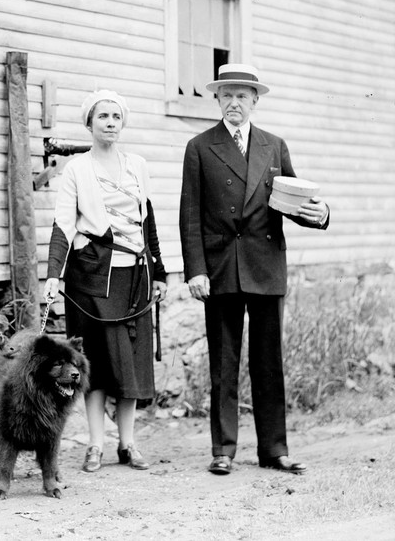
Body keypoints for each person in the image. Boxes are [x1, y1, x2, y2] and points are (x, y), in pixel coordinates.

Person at [179, 64, 329, 476]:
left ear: (255, 101)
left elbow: (295, 199)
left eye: (242, 96)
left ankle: (273, 449)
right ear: (217, 100)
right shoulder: (199, 146)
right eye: (227, 95)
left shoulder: (274, 146)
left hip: (265, 267)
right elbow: (189, 216)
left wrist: (320, 213)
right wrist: (195, 270)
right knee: (223, 365)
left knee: (268, 363)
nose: (234, 103)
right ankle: (223, 449)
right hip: (221, 269)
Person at [43, 90, 168, 473]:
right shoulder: (76, 170)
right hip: (92, 278)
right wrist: (53, 274)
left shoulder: (137, 166)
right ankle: (96, 444)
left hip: (135, 278)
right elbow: (64, 226)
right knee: (92, 365)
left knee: (129, 366)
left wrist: (160, 271)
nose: (110, 122)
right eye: (103, 116)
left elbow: (148, 221)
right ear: (90, 123)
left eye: (116, 116)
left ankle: (128, 444)